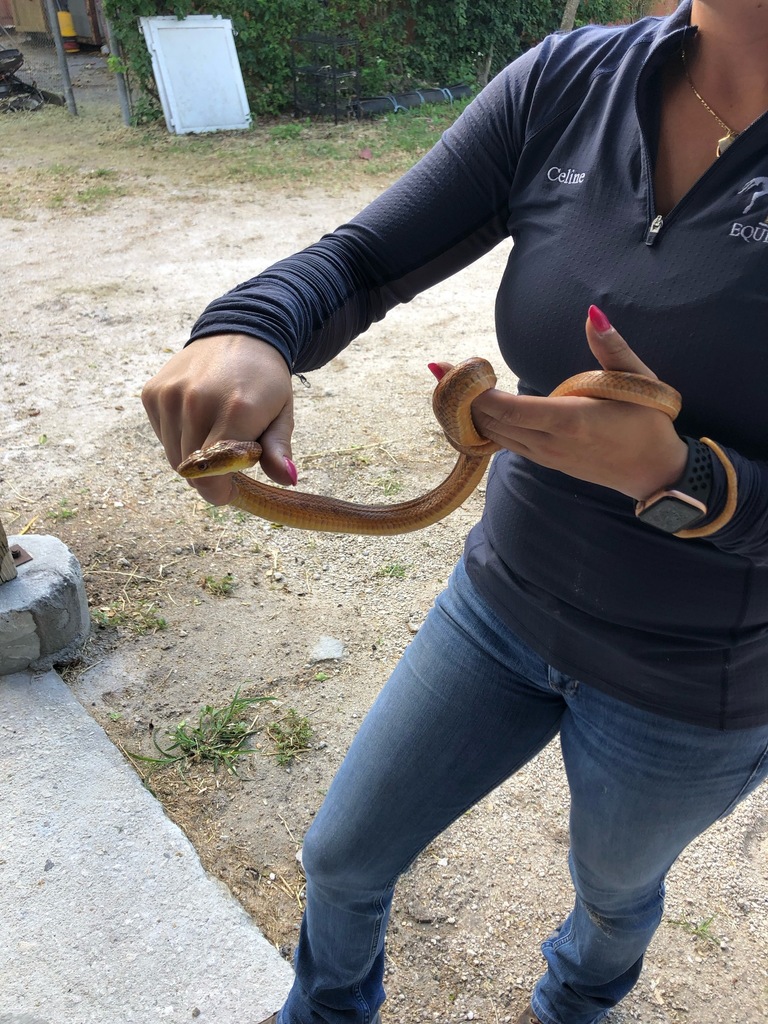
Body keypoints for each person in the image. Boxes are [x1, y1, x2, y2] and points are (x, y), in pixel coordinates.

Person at [141, 1, 768, 1021]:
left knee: (613, 896)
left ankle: (572, 1004)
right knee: (341, 856)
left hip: (699, 680)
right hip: (500, 605)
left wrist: (683, 478)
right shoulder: (568, 83)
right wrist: (251, 328)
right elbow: (361, 259)